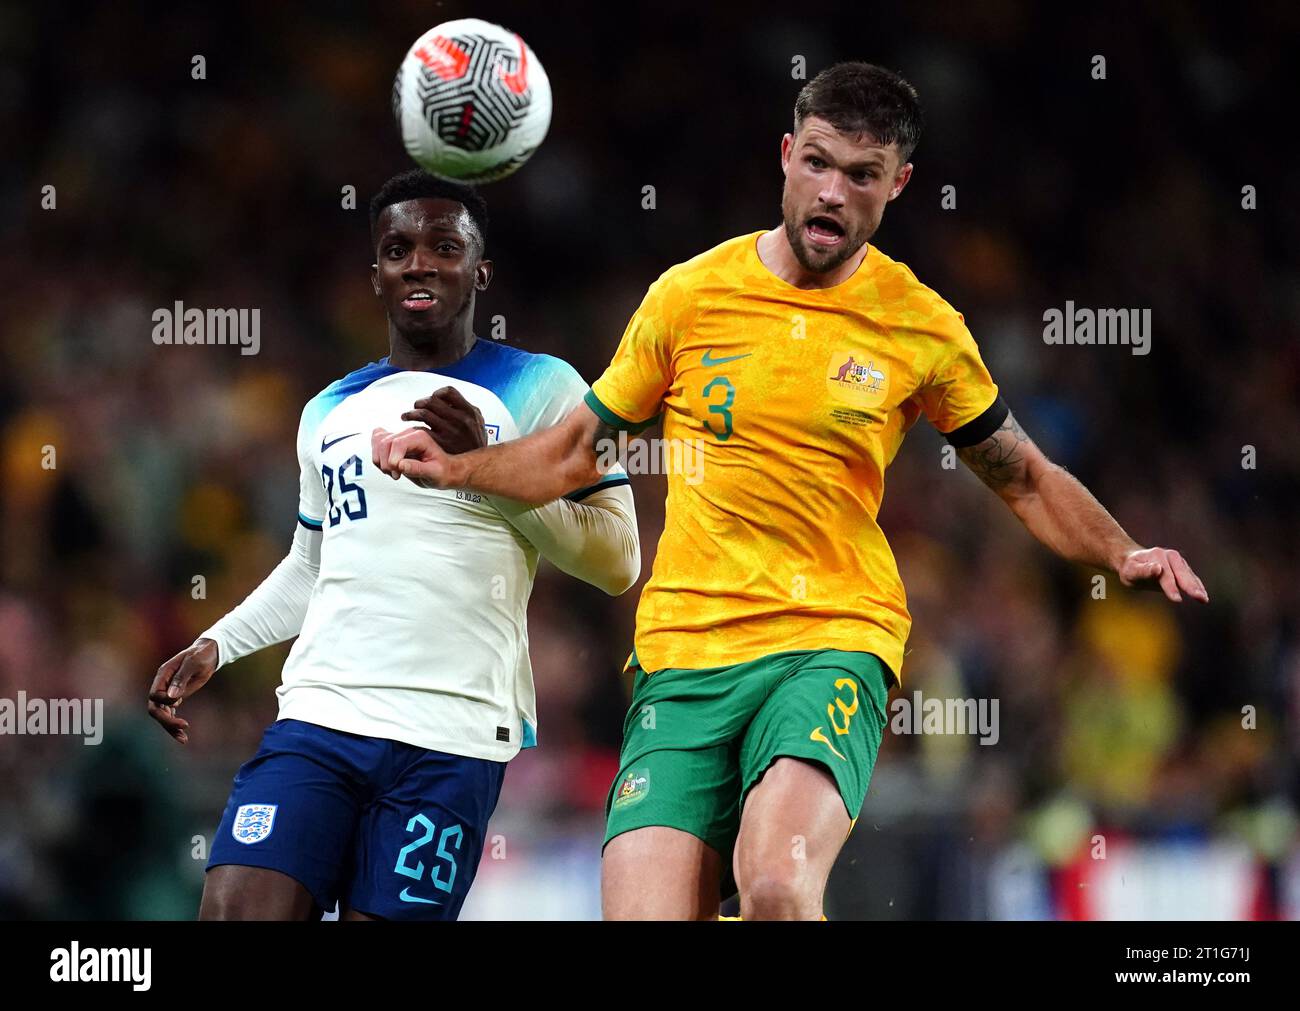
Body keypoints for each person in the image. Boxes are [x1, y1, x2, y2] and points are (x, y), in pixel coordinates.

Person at [371, 63, 1208, 920]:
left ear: (899, 184)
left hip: (830, 641)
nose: (832, 193)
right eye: (817, 162)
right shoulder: (690, 298)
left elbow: (1023, 473)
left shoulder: (920, 325)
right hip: (685, 657)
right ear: (785, 155)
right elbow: (579, 453)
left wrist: (1121, 548)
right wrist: (460, 466)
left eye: (861, 175)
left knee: (775, 885)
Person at [147, 169, 639, 920]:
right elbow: (313, 566)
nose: (420, 262)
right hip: (321, 717)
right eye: (398, 248)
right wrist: (218, 642)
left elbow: (617, 558)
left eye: (445, 246)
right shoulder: (328, 409)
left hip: (454, 734)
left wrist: (487, 471)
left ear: (482, 270)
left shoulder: (546, 388)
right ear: (375, 274)